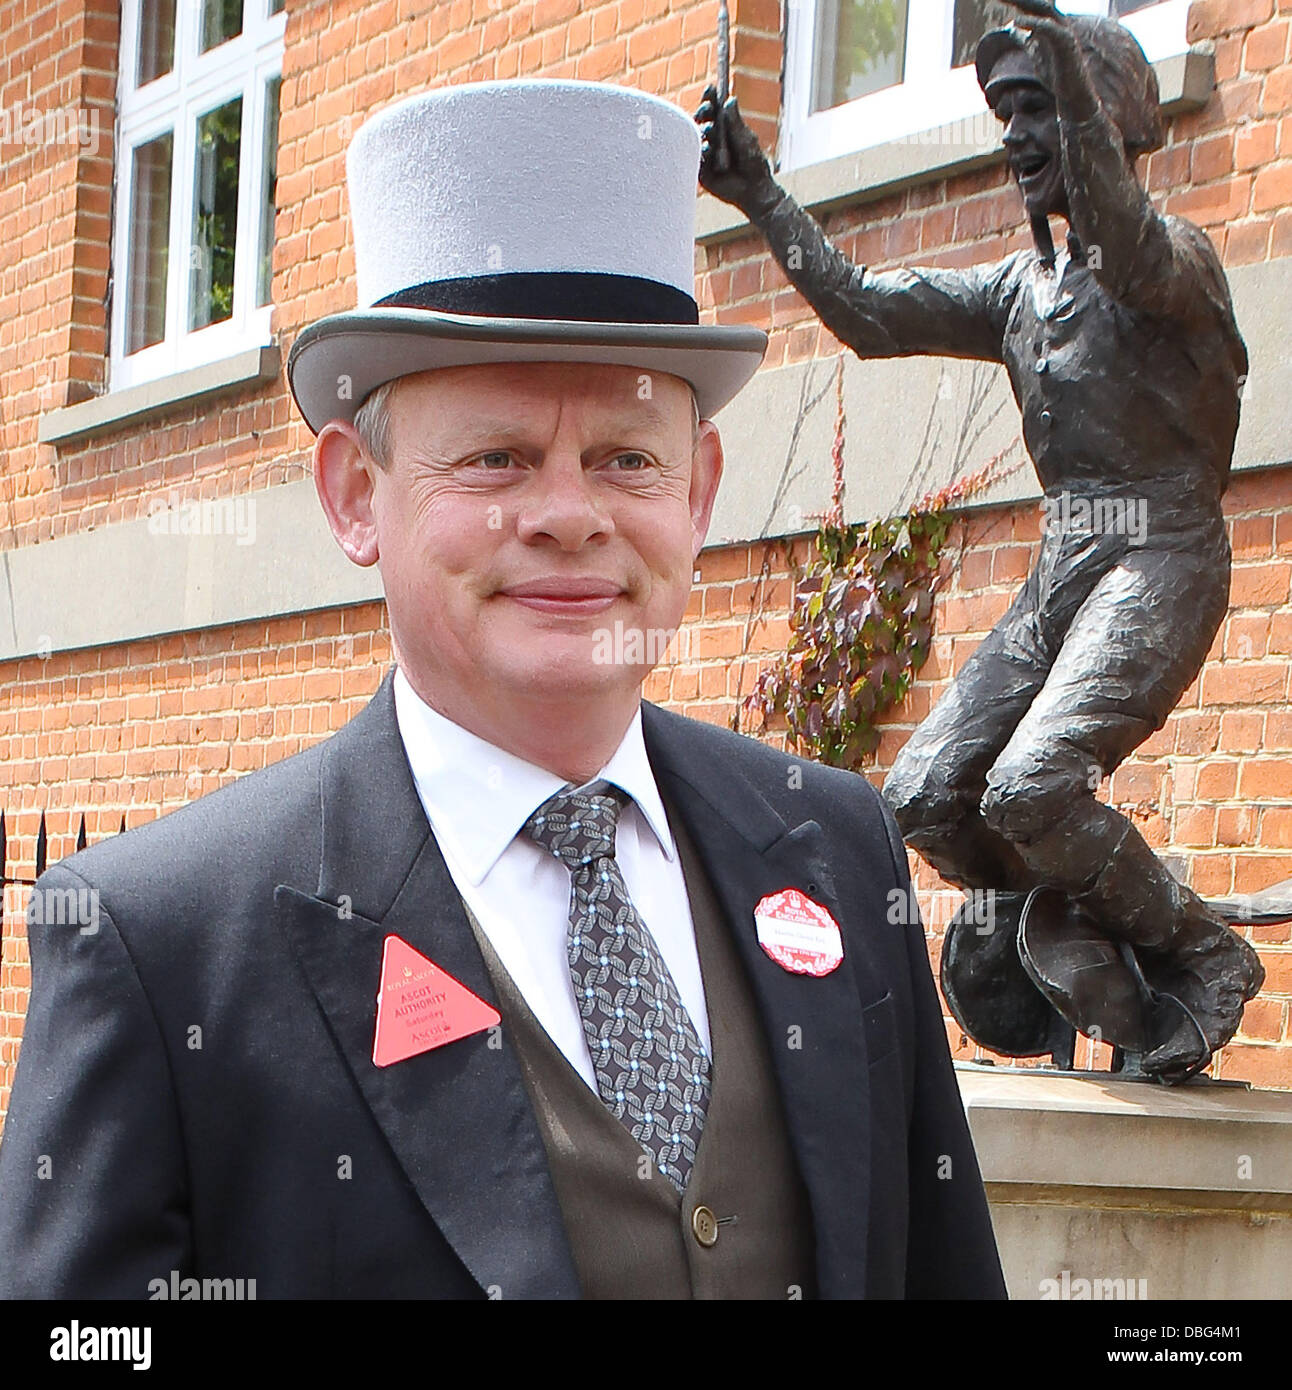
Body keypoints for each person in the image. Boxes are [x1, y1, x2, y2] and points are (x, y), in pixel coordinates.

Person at [0, 80, 1004, 1299]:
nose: (569, 516)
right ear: (354, 496)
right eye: (496, 458)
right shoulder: (161, 948)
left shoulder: (837, 850)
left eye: (626, 459)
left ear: (696, 493)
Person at [695, 4, 1263, 1081]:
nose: (1013, 134)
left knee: (1030, 784)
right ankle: (1066, 918)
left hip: (1158, 551)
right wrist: (760, 193)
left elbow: (1120, 233)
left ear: (1104, 115)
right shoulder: (1019, 290)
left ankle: (1202, 950)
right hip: (1066, 563)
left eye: (1038, 106)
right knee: (920, 795)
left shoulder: (1171, 262)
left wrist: (1060, 51)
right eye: (1002, 110)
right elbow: (867, 314)